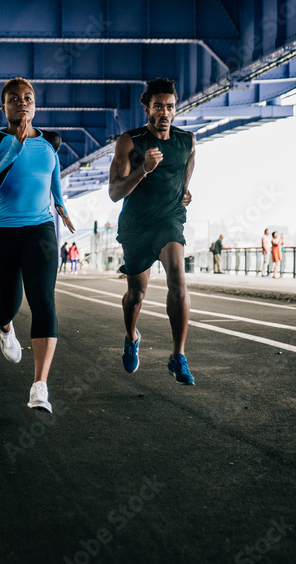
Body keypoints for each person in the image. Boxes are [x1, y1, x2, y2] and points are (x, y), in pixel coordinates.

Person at [0, 77, 75, 412]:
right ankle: (4, 326)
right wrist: (13, 153)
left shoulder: (51, 141)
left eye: (28, 98)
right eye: (14, 99)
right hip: (2, 231)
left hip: (41, 230)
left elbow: (53, 177)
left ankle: (39, 387)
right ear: (3, 107)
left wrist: (60, 205)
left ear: (35, 104)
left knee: (43, 302)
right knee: (8, 305)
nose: (22, 103)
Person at [108, 78, 196, 384]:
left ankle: (178, 356)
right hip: (136, 226)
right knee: (136, 293)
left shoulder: (188, 141)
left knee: (178, 280)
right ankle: (131, 336)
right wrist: (143, 170)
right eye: (158, 106)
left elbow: (185, 176)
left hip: (169, 222)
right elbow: (115, 192)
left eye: (170, 106)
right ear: (147, 108)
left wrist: (185, 193)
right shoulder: (129, 141)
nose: (164, 112)